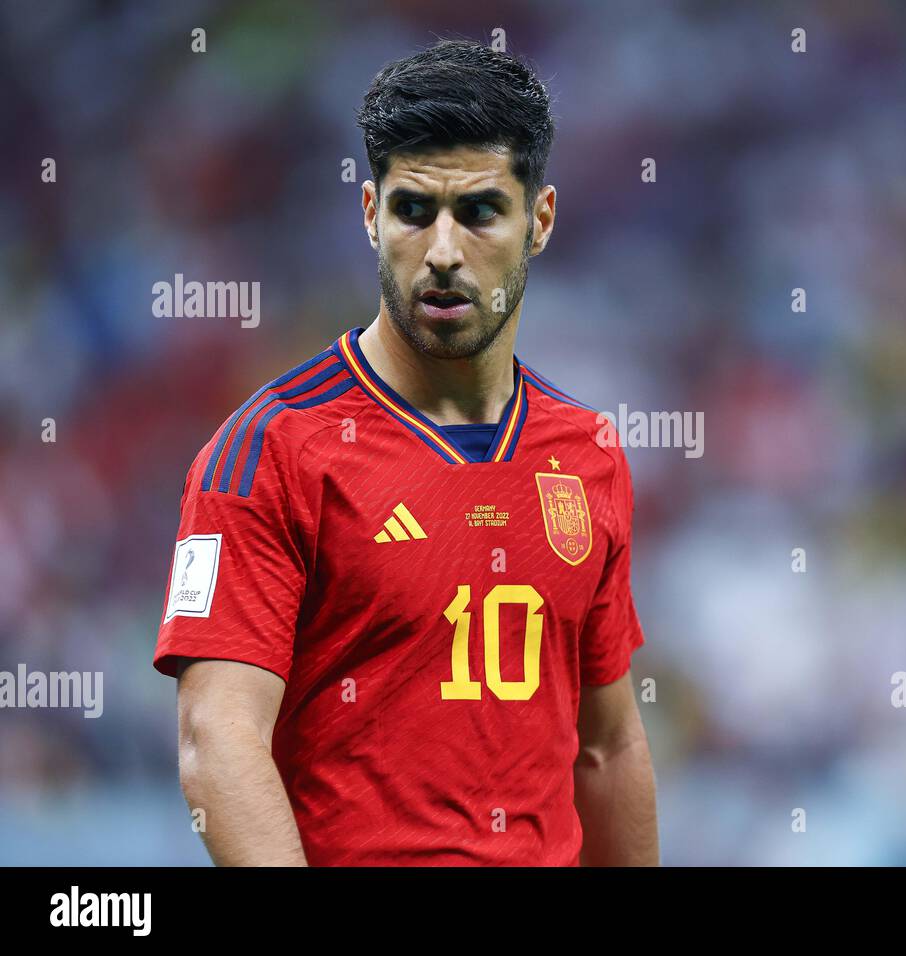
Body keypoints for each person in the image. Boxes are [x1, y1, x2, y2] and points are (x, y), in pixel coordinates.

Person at [152, 39, 657, 866]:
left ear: (541, 219)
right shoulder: (268, 449)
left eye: (481, 211)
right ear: (369, 214)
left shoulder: (587, 453)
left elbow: (608, 748)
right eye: (414, 210)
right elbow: (218, 737)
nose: (445, 251)